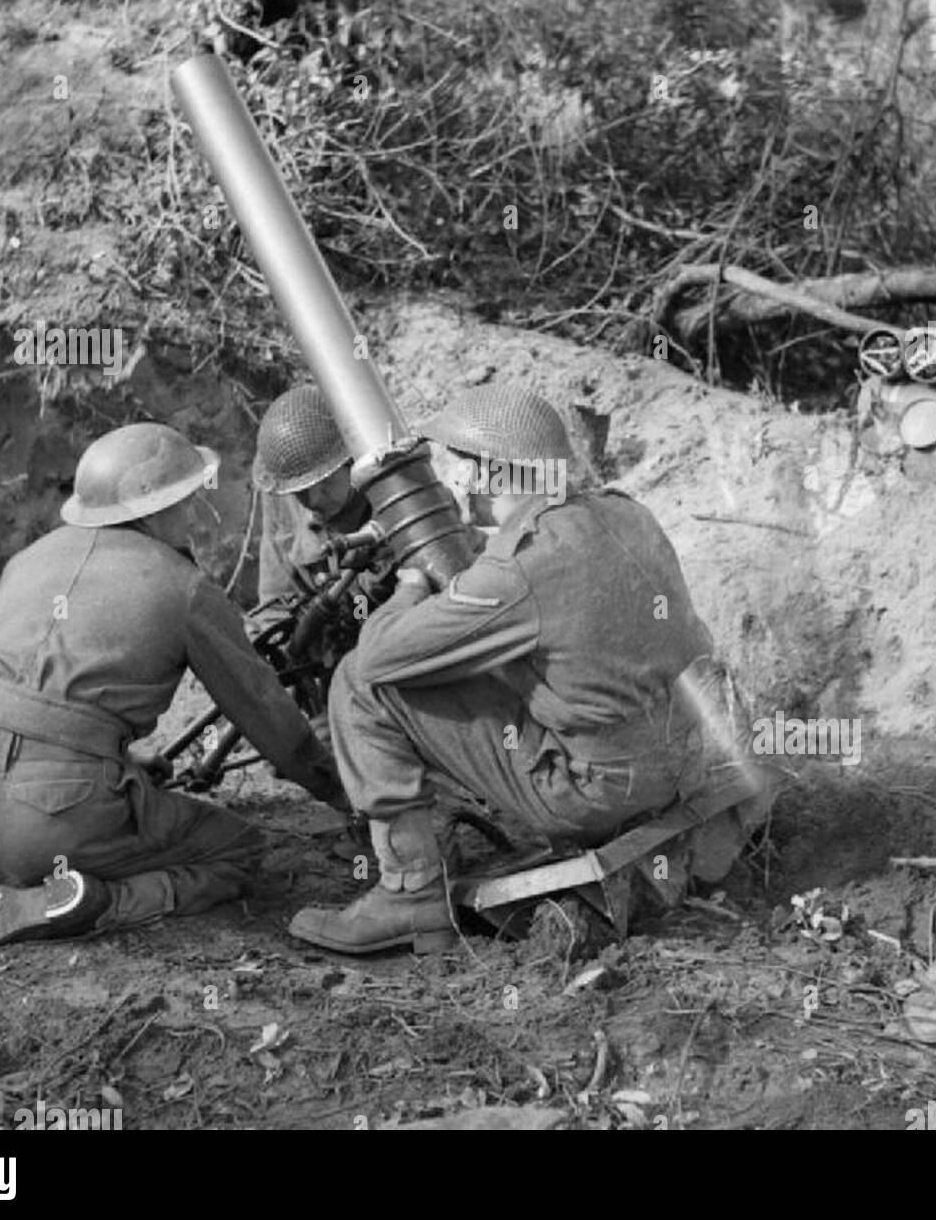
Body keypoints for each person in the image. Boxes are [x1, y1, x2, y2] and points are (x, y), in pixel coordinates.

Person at [287, 386, 764, 956]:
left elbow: (380, 657)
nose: (455, 482)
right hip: (687, 758)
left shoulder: (519, 573)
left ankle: (409, 892)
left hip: (594, 793)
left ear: (494, 471)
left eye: (460, 466)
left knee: (356, 684)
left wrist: (412, 582)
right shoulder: (624, 514)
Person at [0, 422, 334, 947]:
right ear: (157, 507)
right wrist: (345, 793)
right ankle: (98, 901)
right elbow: (272, 725)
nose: (193, 511)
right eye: (185, 499)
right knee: (237, 849)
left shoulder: (27, 559)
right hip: (45, 826)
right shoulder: (186, 589)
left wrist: (123, 764)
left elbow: (35, 697)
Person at [250, 385, 393, 658]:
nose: (313, 499)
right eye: (300, 491)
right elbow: (274, 600)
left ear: (352, 460)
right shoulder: (284, 482)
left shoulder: (390, 483)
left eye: (325, 482)